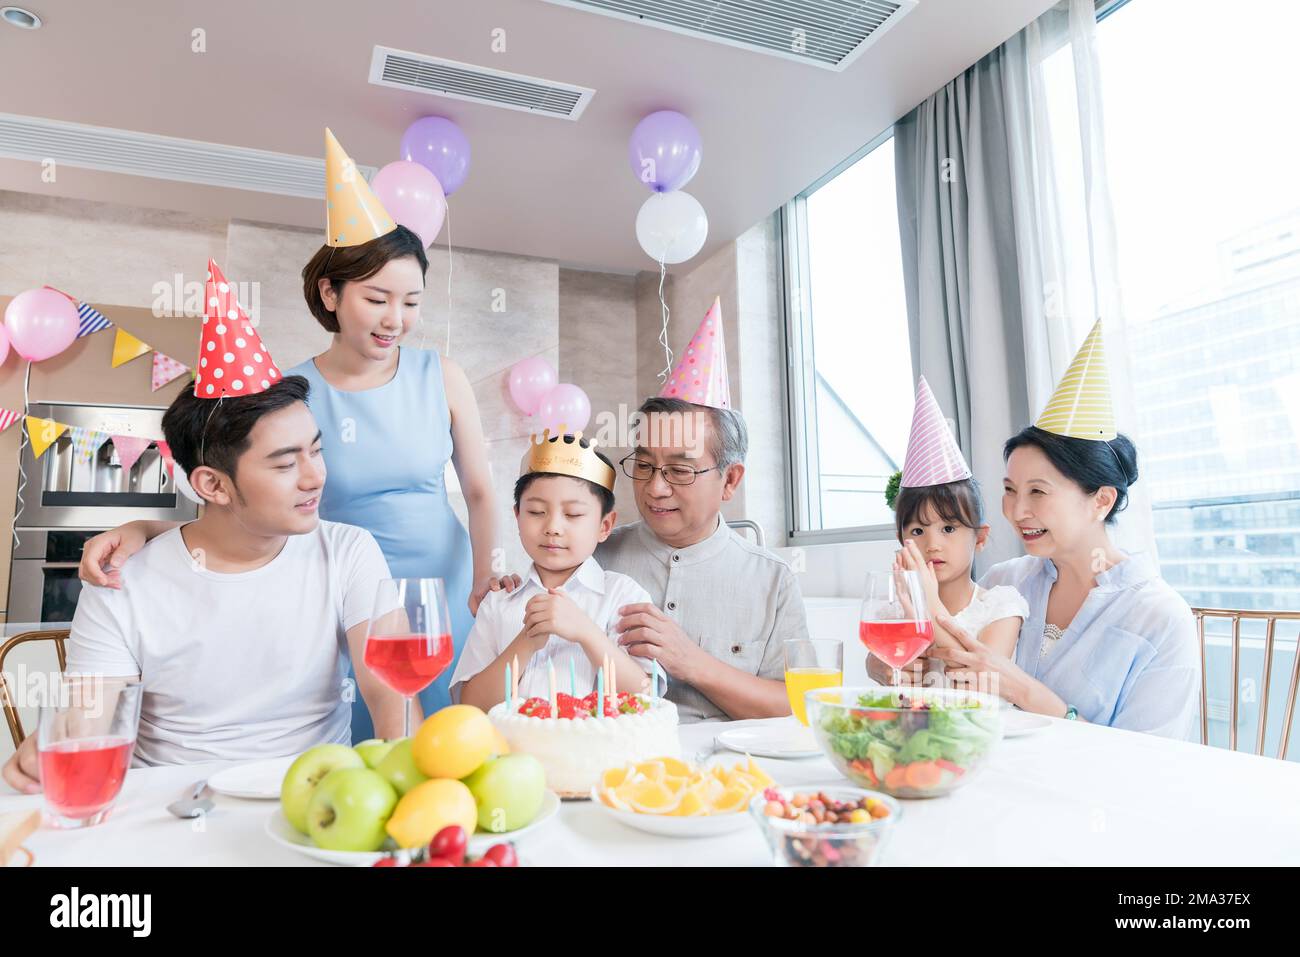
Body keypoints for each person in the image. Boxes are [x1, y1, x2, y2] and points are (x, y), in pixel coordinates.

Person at [76, 130, 501, 740]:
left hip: (446, 583)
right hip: (333, 585)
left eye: (411, 302)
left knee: (447, 732)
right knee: (353, 730)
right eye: (378, 298)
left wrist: (484, 578)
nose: (395, 319)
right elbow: (247, 506)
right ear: (331, 293)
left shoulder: (443, 376)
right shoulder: (290, 396)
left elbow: (481, 492)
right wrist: (145, 529)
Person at [2, 357, 406, 792]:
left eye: (316, 450)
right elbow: (91, 716)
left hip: (314, 799)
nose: (315, 477)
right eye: (286, 464)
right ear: (213, 485)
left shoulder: (349, 551)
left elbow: (391, 690)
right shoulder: (123, 576)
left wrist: (407, 797)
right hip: (170, 806)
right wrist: (58, 744)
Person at [875, 322, 1200, 740]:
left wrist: (1019, 686)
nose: (1018, 511)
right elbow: (945, 684)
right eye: (1010, 490)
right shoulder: (1005, 581)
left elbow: (1153, 762)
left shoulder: (1158, 617)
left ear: (1100, 500)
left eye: (1038, 492)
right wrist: (886, 664)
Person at [487, 300, 808, 722]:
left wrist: (691, 662)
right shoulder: (591, 551)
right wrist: (510, 587)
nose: (655, 487)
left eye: (679, 469)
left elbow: (800, 708)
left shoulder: (772, 580)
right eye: (643, 464)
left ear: (730, 480)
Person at [451, 433, 655, 711]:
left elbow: (647, 695)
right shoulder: (499, 601)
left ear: (604, 525)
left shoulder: (623, 596)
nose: (553, 527)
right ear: (517, 517)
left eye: (572, 515)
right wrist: (526, 640)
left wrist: (585, 632)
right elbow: (472, 706)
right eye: (536, 512)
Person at [888, 377, 1027, 658]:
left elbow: (984, 682)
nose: (932, 544)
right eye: (917, 531)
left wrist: (929, 604)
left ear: (980, 537)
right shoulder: (899, 608)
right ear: (902, 541)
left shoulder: (1001, 606)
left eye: (948, 528)